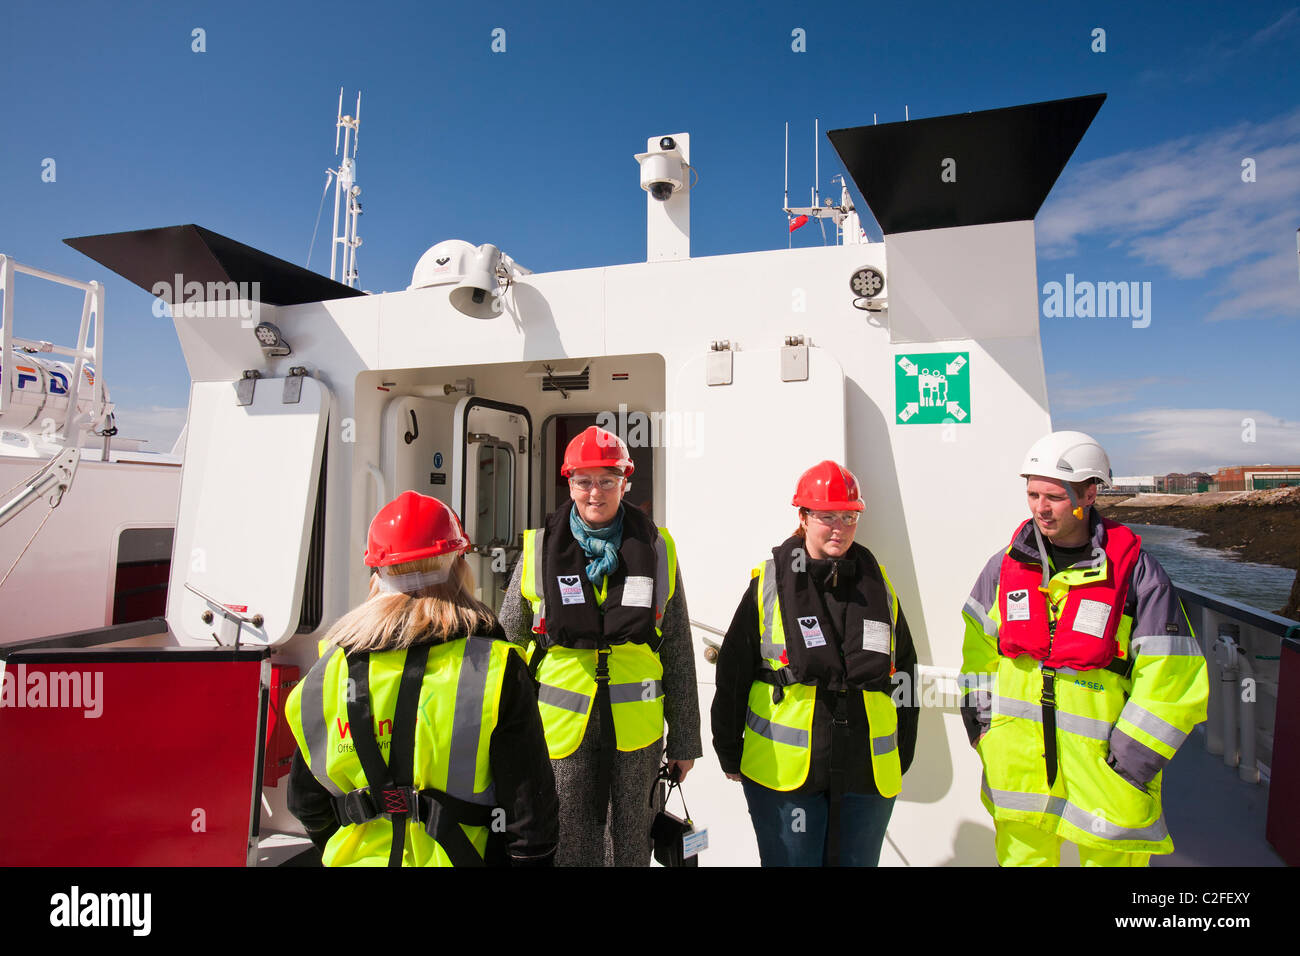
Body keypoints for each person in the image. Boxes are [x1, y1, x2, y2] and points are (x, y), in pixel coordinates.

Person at [959, 431, 1208, 866]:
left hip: (1107, 777)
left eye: (1053, 496)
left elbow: (1173, 679)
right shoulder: (1002, 569)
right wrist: (984, 729)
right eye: (1033, 494)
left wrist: (1130, 761)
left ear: (1089, 494)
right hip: (1017, 770)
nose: (1040, 507)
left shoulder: (1137, 576)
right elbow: (978, 653)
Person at [285, 491, 558, 866]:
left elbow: (306, 804)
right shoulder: (494, 667)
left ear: (376, 575)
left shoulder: (327, 673)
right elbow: (531, 816)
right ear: (460, 565)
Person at [499, 425, 701, 866]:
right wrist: (503, 738)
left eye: (607, 481)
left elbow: (678, 649)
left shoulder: (657, 546)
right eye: (584, 481)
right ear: (569, 483)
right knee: (568, 844)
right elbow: (506, 648)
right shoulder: (538, 548)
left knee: (630, 847)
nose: (596, 492)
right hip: (560, 732)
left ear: (625, 483)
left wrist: (685, 740)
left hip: (638, 733)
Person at [711, 460, 918, 866]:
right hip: (785, 776)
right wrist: (729, 751)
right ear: (803, 518)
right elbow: (733, 672)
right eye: (827, 517)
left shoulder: (880, 587)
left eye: (849, 516)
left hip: (866, 775)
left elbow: (906, 673)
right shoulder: (768, 585)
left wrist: (902, 752)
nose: (839, 527)